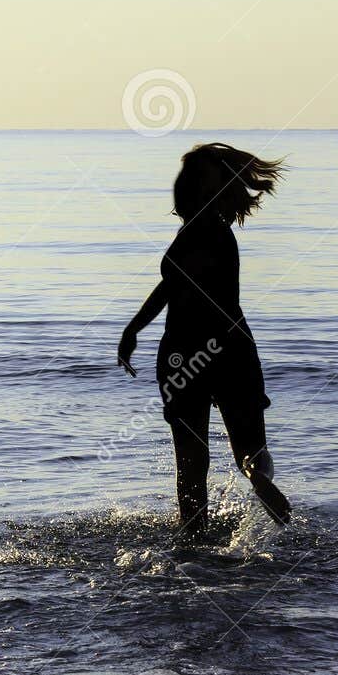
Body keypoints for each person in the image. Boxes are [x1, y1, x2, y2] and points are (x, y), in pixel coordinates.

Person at [117, 143, 292, 537]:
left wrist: (134, 330)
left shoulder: (192, 234)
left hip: (183, 352)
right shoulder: (218, 231)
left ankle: (193, 538)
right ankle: (257, 477)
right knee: (251, 450)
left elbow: (171, 286)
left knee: (192, 461)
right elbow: (172, 285)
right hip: (231, 350)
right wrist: (134, 328)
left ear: (187, 189)